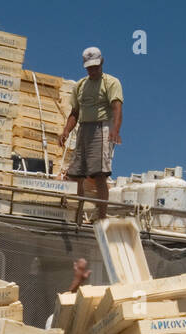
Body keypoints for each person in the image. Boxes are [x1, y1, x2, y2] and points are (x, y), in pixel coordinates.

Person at [60, 46, 123, 224]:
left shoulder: (111, 83)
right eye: (89, 67)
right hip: (83, 129)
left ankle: (102, 218)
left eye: (95, 66)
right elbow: (75, 112)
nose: (93, 70)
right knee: (77, 174)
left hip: (102, 127)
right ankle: (79, 214)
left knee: (100, 174)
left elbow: (117, 109)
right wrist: (66, 131)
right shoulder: (80, 85)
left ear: (101, 62)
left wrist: (115, 131)